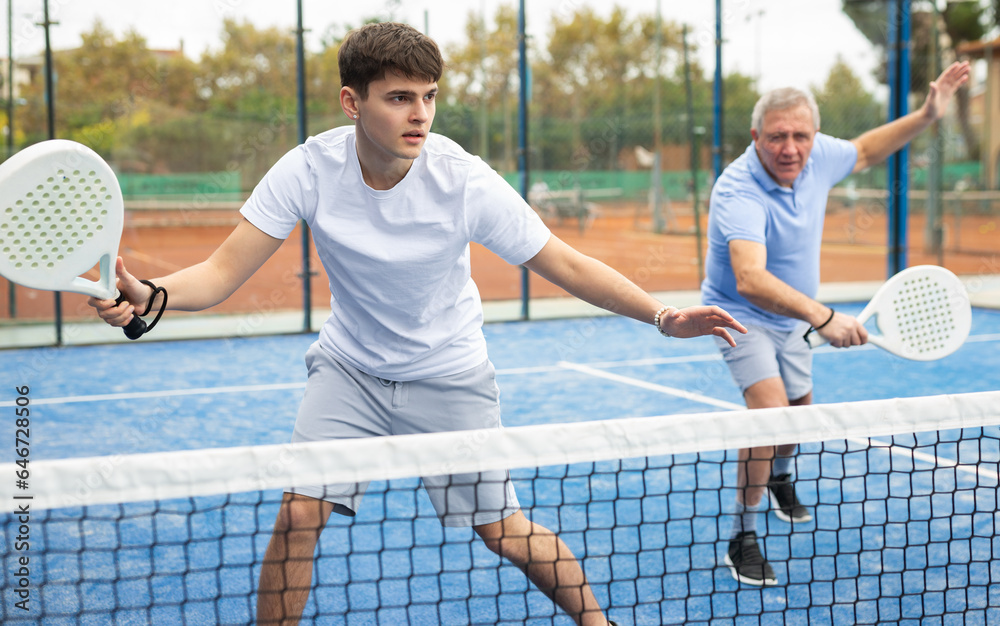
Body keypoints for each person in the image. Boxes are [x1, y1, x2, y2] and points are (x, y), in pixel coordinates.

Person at [90, 22, 746, 625]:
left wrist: (663, 316)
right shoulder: (307, 169)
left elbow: (567, 264)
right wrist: (150, 295)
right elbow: (220, 272)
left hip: (449, 374)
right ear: (353, 103)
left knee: (502, 531)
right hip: (349, 371)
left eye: (429, 97)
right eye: (400, 98)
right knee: (297, 514)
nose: (421, 114)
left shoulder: (463, 180)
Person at [702, 60, 970, 587]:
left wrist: (925, 114)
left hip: (796, 314)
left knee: (799, 413)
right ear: (756, 136)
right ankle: (743, 535)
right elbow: (751, 278)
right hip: (740, 315)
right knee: (770, 413)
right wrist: (823, 317)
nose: (790, 148)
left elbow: (869, 149)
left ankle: (781, 478)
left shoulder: (819, 155)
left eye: (800, 135)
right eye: (777, 136)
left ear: (814, 135)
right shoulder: (738, 190)